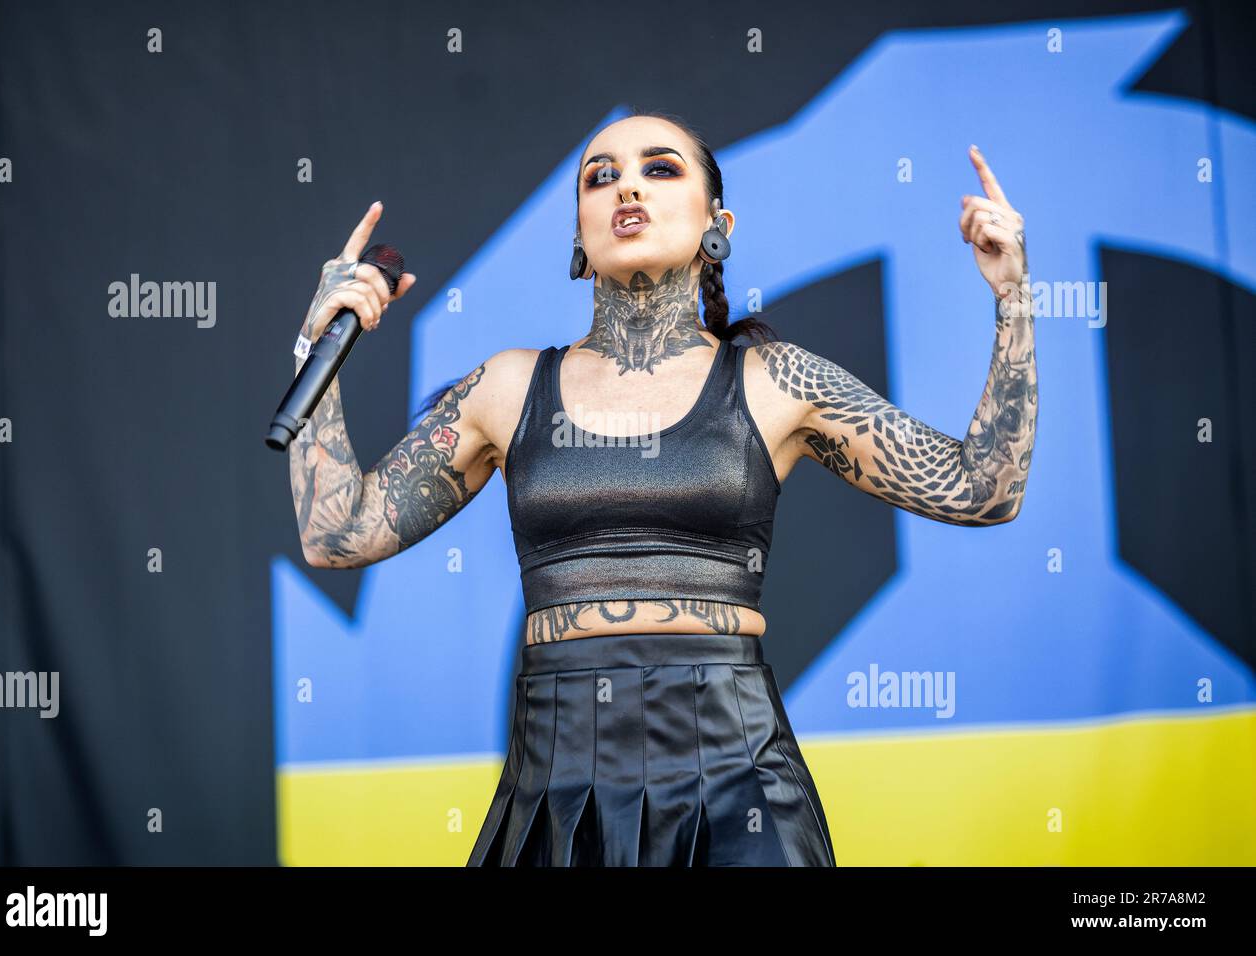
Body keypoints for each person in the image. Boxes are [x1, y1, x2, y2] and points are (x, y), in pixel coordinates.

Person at [286, 110, 1036, 866]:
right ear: (579, 234)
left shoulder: (774, 379)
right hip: (556, 781)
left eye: (661, 168)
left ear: (719, 220)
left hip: (735, 778)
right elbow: (337, 532)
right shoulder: (507, 388)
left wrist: (1013, 298)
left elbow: (982, 488)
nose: (627, 188)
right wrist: (316, 342)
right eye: (600, 176)